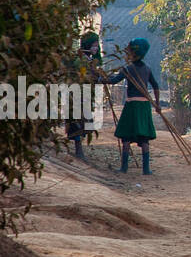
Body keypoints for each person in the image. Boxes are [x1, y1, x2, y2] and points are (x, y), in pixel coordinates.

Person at [103, 38, 161, 174]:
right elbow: (156, 86)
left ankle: (124, 168)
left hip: (132, 105)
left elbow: (113, 81)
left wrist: (99, 79)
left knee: (127, 137)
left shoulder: (128, 69)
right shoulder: (147, 69)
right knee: (144, 138)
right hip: (145, 106)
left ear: (133, 54)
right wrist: (157, 104)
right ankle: (146, 169)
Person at [66, 31, 103, 160]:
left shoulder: (90, 61)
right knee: (77, 122)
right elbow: (82, 78)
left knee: (84, 122)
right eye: (94, 45)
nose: (96, 48)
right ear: (87, 45)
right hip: (77, 95)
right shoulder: (80, 60)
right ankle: (78, 151)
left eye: (97, 46)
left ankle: (79, 150)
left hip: (86, 96)